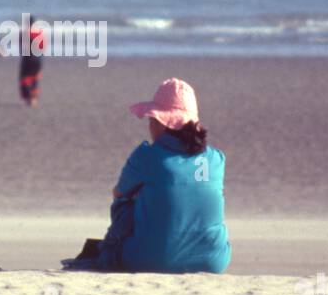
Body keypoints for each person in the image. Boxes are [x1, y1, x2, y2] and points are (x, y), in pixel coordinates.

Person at [65, 78, 230, 273]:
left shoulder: (147, 156)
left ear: (161, 123)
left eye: (152, 119)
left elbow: (119, 193)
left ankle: (110, 250)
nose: (149, 125)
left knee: (128, 201)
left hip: (149, 261)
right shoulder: (217, 159)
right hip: (214, 260)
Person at [19, 21, 46, 107]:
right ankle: (34, 99)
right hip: (37, 57)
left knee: (24, 78)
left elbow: (21, 45)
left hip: (28, 57)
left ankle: (29, 98)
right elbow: (43, 47)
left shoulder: (24, 33)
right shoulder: (39, 32)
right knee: (35, 78)